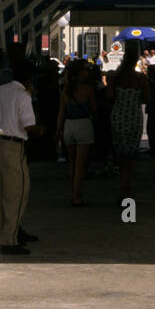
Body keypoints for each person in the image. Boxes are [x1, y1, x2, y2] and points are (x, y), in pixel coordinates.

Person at [0, 62, 43, 255]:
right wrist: (41, 130)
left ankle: (13, 229)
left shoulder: (0, 91)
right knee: (18, 192)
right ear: (29, 80)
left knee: (4, 189)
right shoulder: (23, 96)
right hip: (14, 146)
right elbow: (28, 125)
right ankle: (9, 239)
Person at [106, 51, 148, 198]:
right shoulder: (140, 78)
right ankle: (126, 188)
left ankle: (123, 188)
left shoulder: (115, 78)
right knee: (130, 156)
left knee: (120, 154)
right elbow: (146, 98)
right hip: (134, 116)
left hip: (118, 116)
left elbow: (109, 96)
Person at [56, 60, 97, 206]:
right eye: (86, 69)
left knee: (71, 163)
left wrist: (58, 132)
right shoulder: (88, 89)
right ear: (81, 72)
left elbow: (61, 113)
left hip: (68, 125)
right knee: (81, 164)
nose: (88, 71)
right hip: (83, 124)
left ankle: (72, 193)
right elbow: (94, 109)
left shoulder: (65, 90)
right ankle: (77, 196)